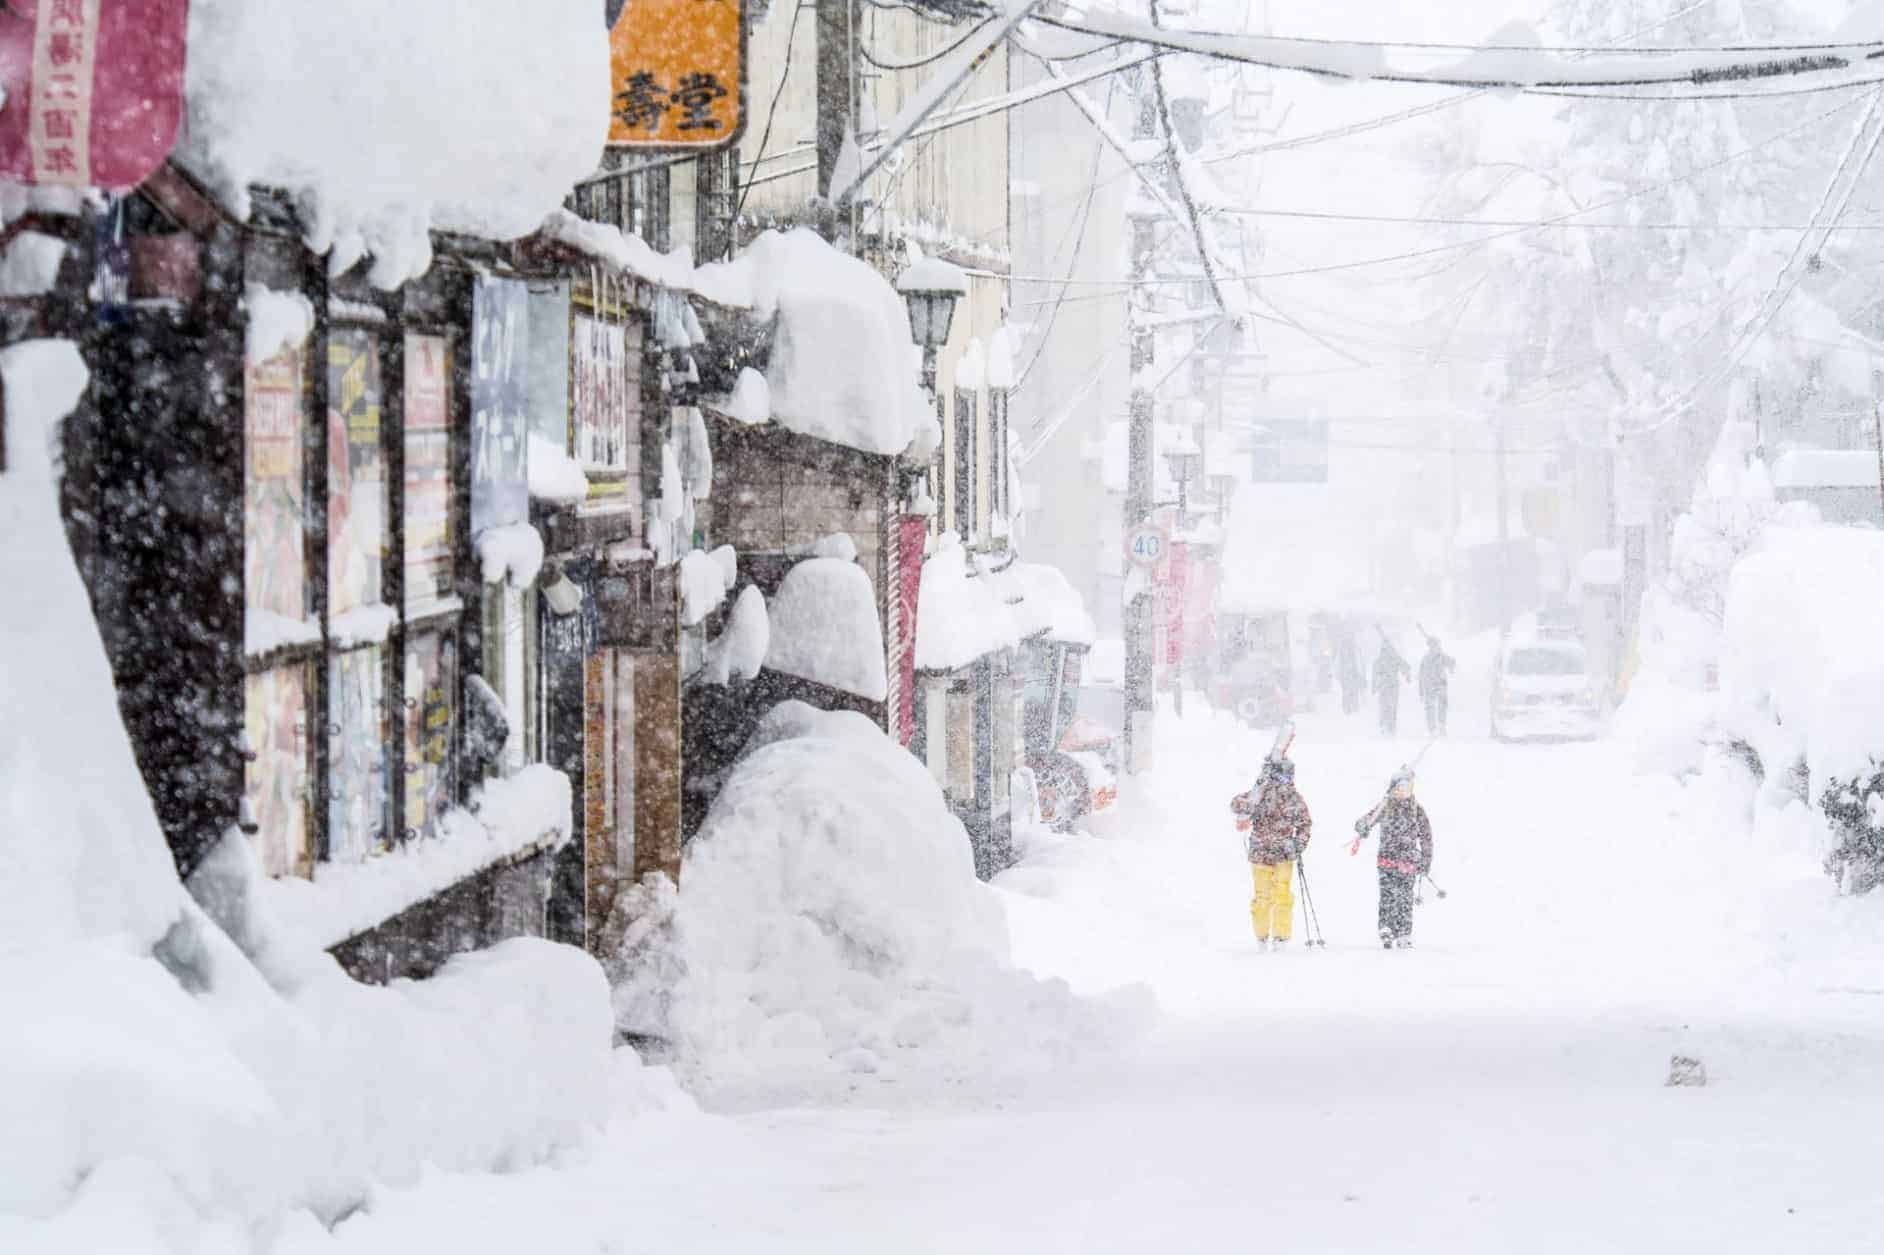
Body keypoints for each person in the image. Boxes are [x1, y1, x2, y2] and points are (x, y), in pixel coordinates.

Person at [1232, 756, 1313, 950]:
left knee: (1282, 895)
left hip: (1284, 854)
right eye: (1282, 777)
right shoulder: (1259, 794)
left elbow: (1305, 825)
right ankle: (1261, 935)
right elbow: (1236, 804)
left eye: (1288, 777)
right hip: (1261, 854)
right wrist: (1248, 803)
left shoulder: (1295, 798)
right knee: (1262, 897)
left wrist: (1297, 844)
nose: (1285, 782)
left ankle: (1281, 936)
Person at [1352, 767, 1434, 949]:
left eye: (1407, 788)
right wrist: (1362, 827)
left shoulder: (1416, 810)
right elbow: (1365, 820)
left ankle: (1404, 932)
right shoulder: (1385, 806)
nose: (1403, 792)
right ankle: (1386, 928)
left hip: (1408, 862)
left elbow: (1426, 837)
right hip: (1386, 861)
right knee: (1387, 896)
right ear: (1392, 789)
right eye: (1399, 788)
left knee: (1405, 899)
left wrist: (1425, 861)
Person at [1418, 636, 1456, 736]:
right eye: (1432, 645)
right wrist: (1421, 690)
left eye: (1436, 645)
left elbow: (1452, 664)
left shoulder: (1442, 656)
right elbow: (1421, 676)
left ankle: (1441, 725)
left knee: (1442, 706)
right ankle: (1432, 729)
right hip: (1430, 686)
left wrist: (1451, 664)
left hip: (1441, 685)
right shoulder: (1425, 659)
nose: (1434, 647)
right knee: (1430, 707)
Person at [1372, 638, 1410, 736]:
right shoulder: (1392, 658)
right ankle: (1388, 727)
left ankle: (1387, 726)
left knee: (1386, 707)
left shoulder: (1382, 659)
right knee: (1390, 707)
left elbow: (1405, 667)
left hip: (1387, 686)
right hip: (1390, 686)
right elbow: (1405, 667)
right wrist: (1406, 675)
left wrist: (1374, 686)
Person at [1337, 631, 1362, 715]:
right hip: (1349, 673)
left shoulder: (1343, 649)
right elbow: (1359, 662)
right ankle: (1351, 706)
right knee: (1351, 690)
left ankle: (1348, 707)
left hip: (1347, 674)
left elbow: (1338, 663)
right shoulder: (1353, 649)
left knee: (1348, 691)